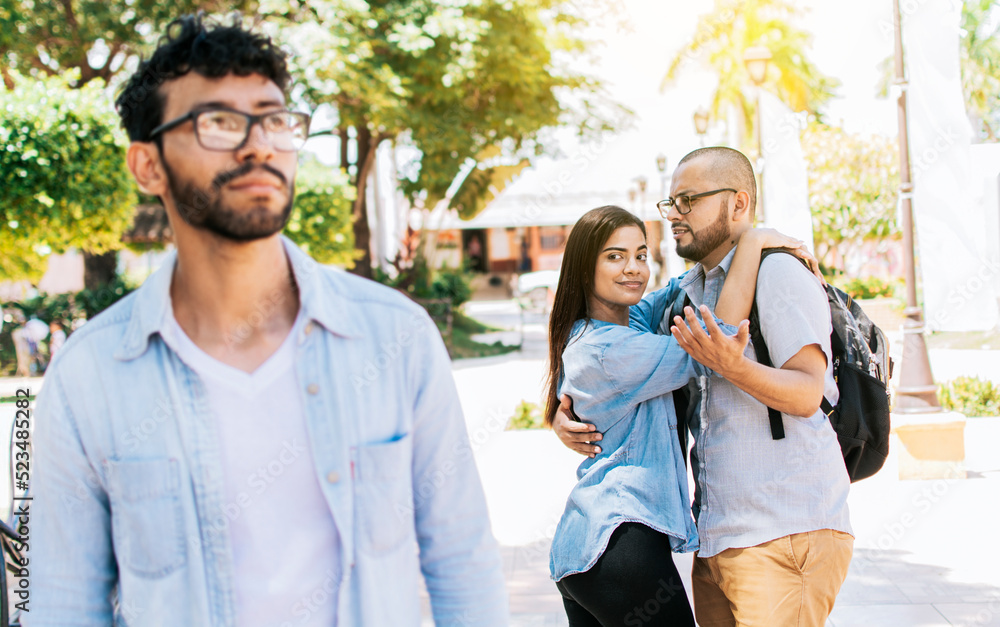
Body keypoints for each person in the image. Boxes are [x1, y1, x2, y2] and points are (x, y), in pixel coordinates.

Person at [30, 14, 507, 627]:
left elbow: (463, 565)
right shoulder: (89, 377)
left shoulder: (396, 339)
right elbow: (66, 604)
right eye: (220, 122)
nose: (259, 144)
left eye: (275, 119)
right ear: (147, 165)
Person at [554, 147, 852, 626]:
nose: (674, 214)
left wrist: (754, 246)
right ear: (584, 268)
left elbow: (805, 395)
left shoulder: (769, 273)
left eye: (688, 200)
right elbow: (704, 349)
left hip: (781, 530)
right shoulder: (643, 324)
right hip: (667, 539)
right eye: (671, 202)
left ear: (738, 203)